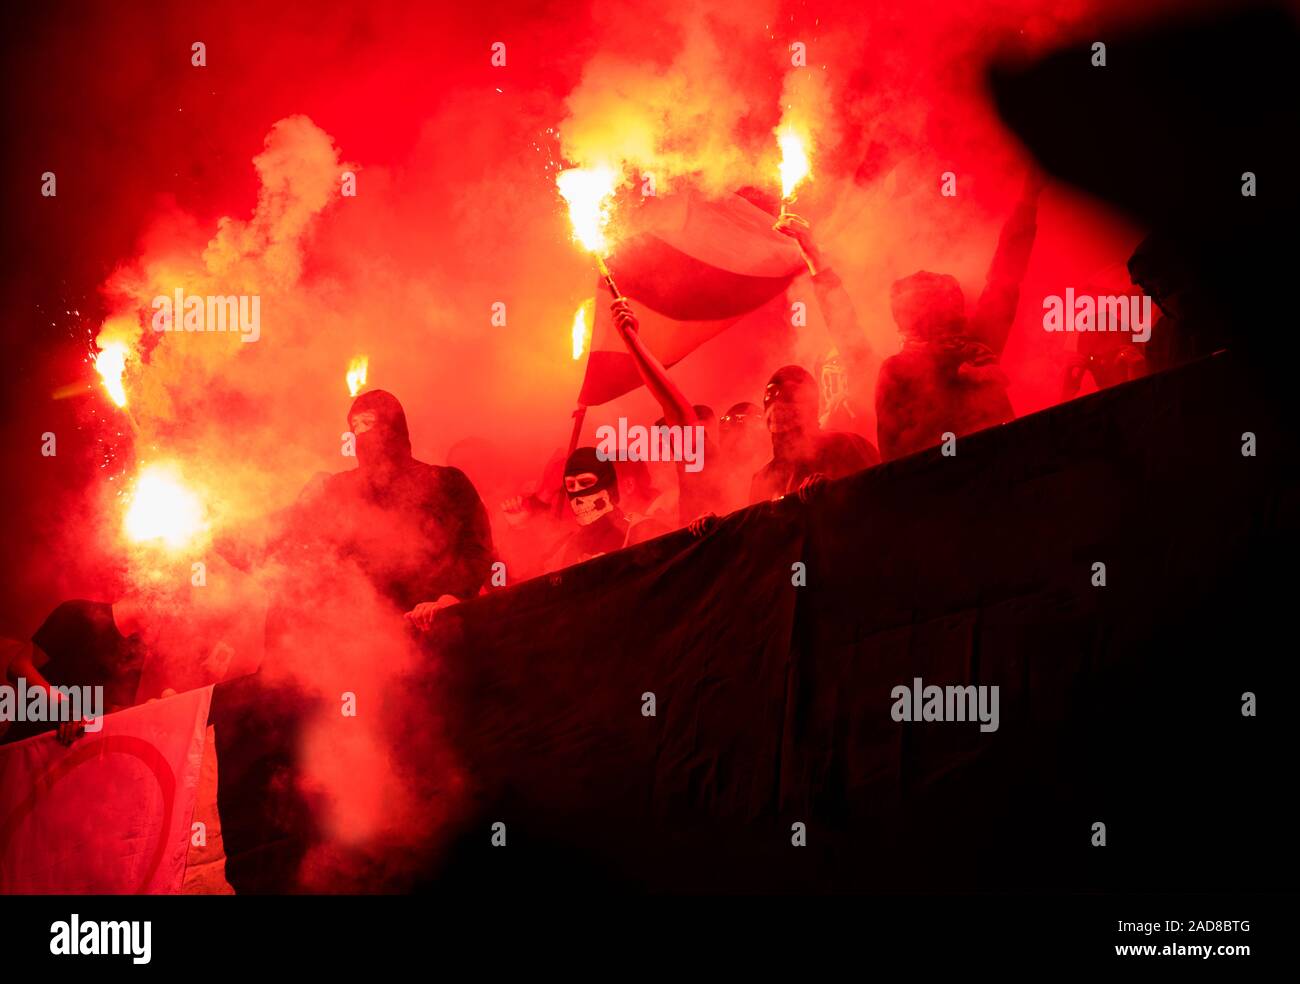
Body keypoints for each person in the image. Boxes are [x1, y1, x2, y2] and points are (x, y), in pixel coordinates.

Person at [283, 389, 494, 630]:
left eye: (368, 422)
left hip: (436, 622)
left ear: (392, 426)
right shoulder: (341, 488)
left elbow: (476, 545)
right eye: (354, 426)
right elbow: (304, 541)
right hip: (372, 636)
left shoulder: (446, 481)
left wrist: (452, 598)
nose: (360, 432)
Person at [875, 172, 1043, 460]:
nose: (956, 304)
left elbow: (1004, 278)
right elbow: (891, 455)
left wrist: (1028, 201)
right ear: (918, 314)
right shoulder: (898, 370)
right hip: (941, 494)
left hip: (1004, 478)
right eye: (943, 298)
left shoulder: (975, 345)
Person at [771, 211, 880, 442]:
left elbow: (843, 320)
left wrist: (814, 258)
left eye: (841, 363)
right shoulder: (813, 436)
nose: (836, 372)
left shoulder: (868, 414)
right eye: (830, 366)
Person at [750, 364, 880, 503]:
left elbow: (877, 496)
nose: (775, 411)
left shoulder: (845, 446)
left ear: (809, 407)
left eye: (787, 400)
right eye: (769, 402)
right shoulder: (762, 480)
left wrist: (834, 489)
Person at [553, 447, 669, 567]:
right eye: (571, 485)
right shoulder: (574, 544)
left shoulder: (645, 530)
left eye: (586, 482)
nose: (577, 494)